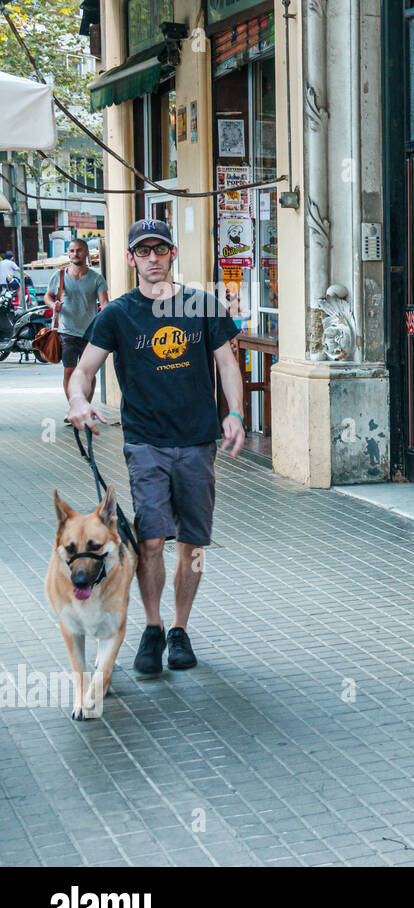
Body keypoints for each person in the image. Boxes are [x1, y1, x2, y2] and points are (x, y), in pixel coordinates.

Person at [67, 219, 245, 676]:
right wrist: (79, 402)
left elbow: (227, 362)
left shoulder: (201, 305)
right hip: (145, 441)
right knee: (149, 540)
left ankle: (180, 630)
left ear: (171, 255)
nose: (152, 258)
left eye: (159, 250)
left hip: (197, 441)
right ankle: (152, 626)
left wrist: (236, 413)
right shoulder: (118, 314)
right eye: (142, 251)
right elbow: (84, 371)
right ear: (130, 259)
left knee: (192, 542)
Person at [45, 238, 109, 403]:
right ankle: (74, 406)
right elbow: (48, 295)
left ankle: (86, 405)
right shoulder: (59, 276)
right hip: (67, 332)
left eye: (79, 250)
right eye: (72, 251)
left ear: (86, 253)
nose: (75, 254)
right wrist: (53, 305)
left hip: (90, 334)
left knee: (88, 372)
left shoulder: (96, 279)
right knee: (69, 371)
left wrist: (108, 321)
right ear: (69, 253)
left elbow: (105, 304)